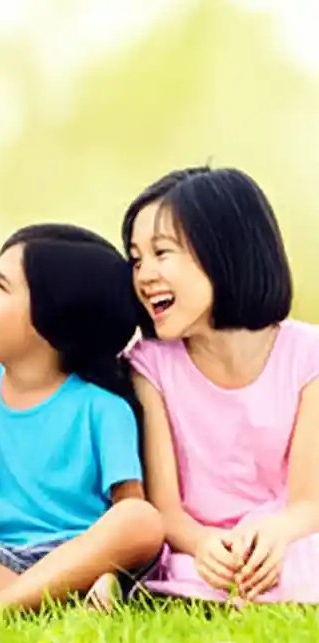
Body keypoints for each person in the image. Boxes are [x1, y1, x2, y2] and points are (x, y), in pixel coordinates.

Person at [0, 224, 164, 613]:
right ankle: (45, 601)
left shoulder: (102, 408)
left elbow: (129, 508)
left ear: (54, 315)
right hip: (0, 553)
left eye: (2, 287)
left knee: (140, 519)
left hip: (83, 554)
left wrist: (110, 559)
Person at [124, 166, 319, 604]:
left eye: (162, 252)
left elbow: (309, 503)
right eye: (137, 259)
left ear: (225, 252)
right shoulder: (149, 367)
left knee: (303, 559)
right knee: (189, 570)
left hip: (286, 534)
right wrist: (204, 544)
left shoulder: (309, 355)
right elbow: (166, 512)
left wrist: (275, 533)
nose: (144, 275)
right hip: (196, 546)